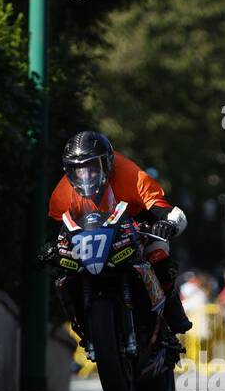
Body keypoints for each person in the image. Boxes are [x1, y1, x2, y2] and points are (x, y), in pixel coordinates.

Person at [44, 131, 192, 346]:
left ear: (107, 163)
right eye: (78, 170)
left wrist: (167, 224)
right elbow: (55, 227)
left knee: (159, 255)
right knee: (62, 273)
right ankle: (81, 323)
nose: (85, 176)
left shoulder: (132, 175)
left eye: (92, 167)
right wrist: (50, 246)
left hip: (136, 226)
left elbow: (163, 208)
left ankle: (173, 310)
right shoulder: (63, 192)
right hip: (89, 240)